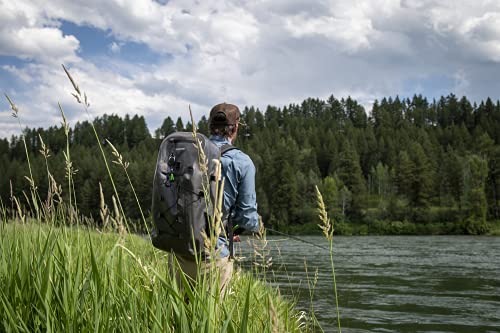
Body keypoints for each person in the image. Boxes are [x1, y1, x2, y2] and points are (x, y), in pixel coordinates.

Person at [173, 102, 260, 294]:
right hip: (214, 253)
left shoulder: (185, 154)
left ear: (210, 126)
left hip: (180, 250)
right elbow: (248, 218)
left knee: (176, 320)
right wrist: (232, 229)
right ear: (235, 127)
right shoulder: (242, 162)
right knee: (209, 321)